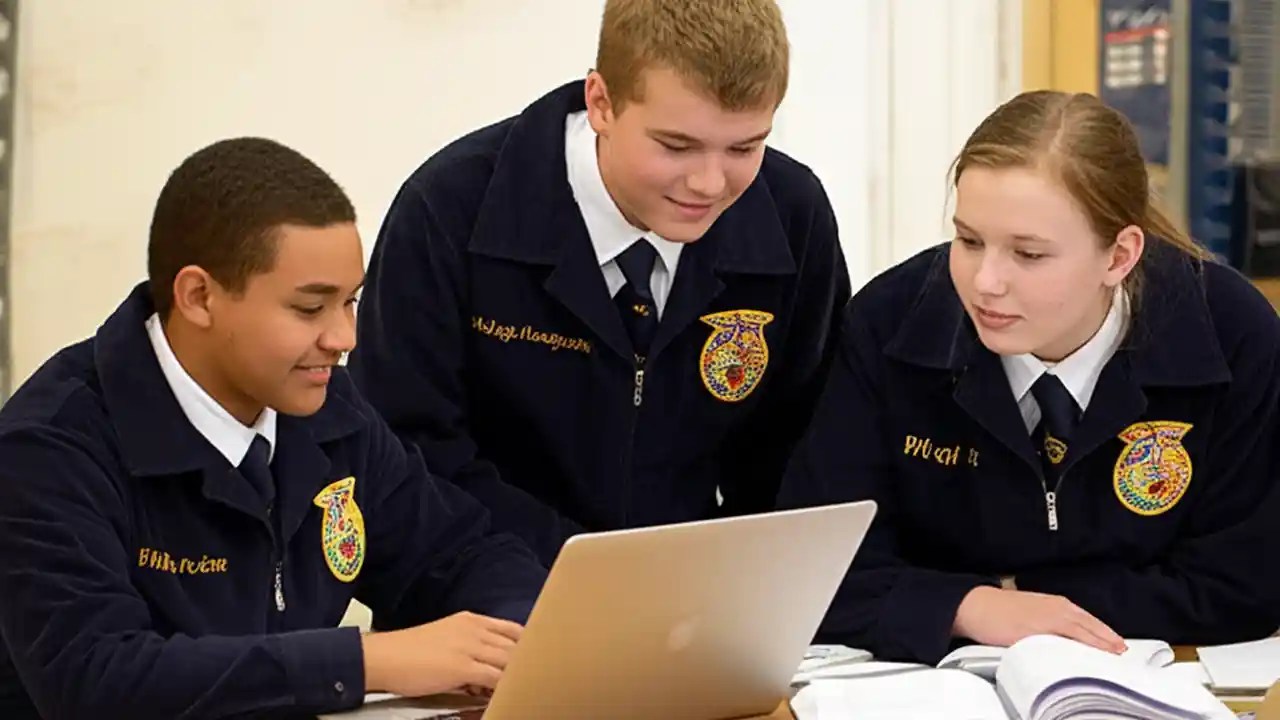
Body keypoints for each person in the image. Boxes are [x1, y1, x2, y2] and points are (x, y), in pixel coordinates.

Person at [0, 137, 548, 719]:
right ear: (199, 296)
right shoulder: (47, 450)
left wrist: (519, 639)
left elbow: (458, 553)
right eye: (310, 309)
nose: (344, 339)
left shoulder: (334, 415)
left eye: (351, 303)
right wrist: (364, 662)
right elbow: (97, 681)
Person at [777, 90, 1280, 665]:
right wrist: (971, 606)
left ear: (1119, 256)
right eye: (968, 241)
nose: (985, 282)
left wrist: (1022, 597)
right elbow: (818, 576)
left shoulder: (1232, 333)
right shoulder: (888, 324)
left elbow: (1248, 586)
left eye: (1029, 255)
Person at [347, 0, 851, 566]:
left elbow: (801, 451)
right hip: (483, 600)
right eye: (676, 146)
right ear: (601, 103)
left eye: (745, 147)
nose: (710, 183)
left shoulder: (793, 216)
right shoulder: (446, 212)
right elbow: (403, 457)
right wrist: (593, 574)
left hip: (694, 611)